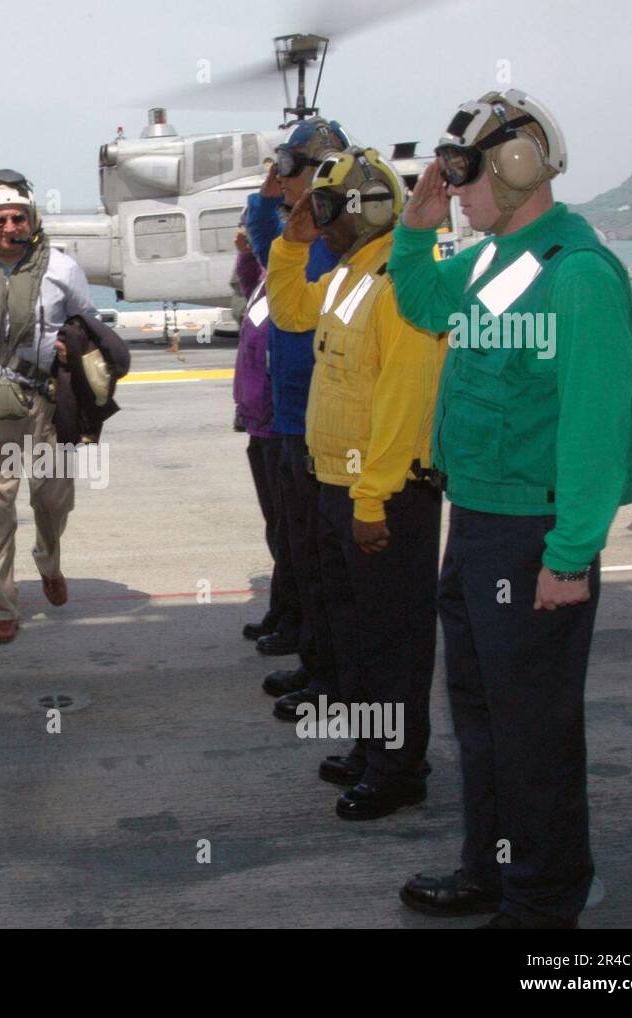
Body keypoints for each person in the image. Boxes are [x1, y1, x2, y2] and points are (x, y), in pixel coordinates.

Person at [389, 90, 632, 927]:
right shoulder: (502, 262)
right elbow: (425, 304)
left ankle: (542, 905)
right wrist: (417, 225)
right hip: (478, 525)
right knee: (482, 715)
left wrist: (570, 556)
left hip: (536, 536)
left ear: (517, 165)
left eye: (464, 178)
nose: (455, 193)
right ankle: (490, 869)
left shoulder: (578, 274)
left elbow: (596, 433)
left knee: (534, 733)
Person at [268, 145, 444, 820]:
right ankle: (375, 748)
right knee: (356, 630)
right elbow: (290, 313)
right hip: (338, 487)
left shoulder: (400, 282)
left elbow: (403, 402)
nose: (319, 219)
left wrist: (371, 500)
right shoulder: (348, 275)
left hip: (386, 495)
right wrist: (290, 245)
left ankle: (400, 770)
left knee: (392, 639)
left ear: (366, 210)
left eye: (326, 208)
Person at [0, 170, 99, 643]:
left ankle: (48, 559)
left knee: (52, 499)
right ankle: (1, 606)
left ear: (32, 220)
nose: (10, 227)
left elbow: (91, 335)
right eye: (0, 219)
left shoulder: (63, 270)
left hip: (47, 401)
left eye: (18, 217)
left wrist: (77, 357)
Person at [246, 118, 349, 704]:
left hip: (318, 424)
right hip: (287, 423)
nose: (281, 181)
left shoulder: (335, 246)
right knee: (303, 554)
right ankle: (316, 664)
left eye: (292, 170)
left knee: (324, 563)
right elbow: (263, 232)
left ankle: (331, 677)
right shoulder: (296, 246)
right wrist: (275, 182)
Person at [233, 214, 301, 655]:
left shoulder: (290, 280)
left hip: (279, 428)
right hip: (260, 427)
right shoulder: (265, 278)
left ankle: (294, 620)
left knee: (290, 533)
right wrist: (244, 253)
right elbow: (247, 279)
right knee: (277, 529)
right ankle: (282, 611)